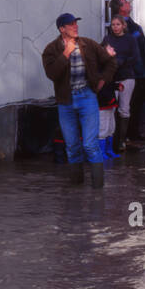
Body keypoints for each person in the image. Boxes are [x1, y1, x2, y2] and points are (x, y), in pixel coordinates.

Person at [42, 12, 116, 187]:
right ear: (62, 29)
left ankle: (98, 190)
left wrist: (102, 80)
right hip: (65, 101)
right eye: (71, 24)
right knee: (72, 146)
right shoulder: (51, 50)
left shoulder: (88, 44)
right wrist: (65, 54)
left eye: (76, 23)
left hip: (87, 97)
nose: (75, 27)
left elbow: (110, 62)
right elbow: (52, 74)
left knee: (90, 145)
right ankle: (76, 191)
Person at [117, 0, 145, 144]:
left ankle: (134, 132)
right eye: (125, 1)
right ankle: (125, 135)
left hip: (142, 70)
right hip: (132, 71)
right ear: (121, 8)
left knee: (137, 103)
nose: (129, 2)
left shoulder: (133, 24)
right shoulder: (120, 25)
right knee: (129, 104)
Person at [102, 14, 138, 153]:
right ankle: (111, 139)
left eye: (118, 24)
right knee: (111, 107)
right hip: (111, 77)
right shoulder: (107, 39)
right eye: (113, 25)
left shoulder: (130, 39)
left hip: (126, 76)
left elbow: (135, 57)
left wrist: (122, 61)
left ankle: (122, 140)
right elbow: (101, 53)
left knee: (124, 108)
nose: (115, 27)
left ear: (123, 25)